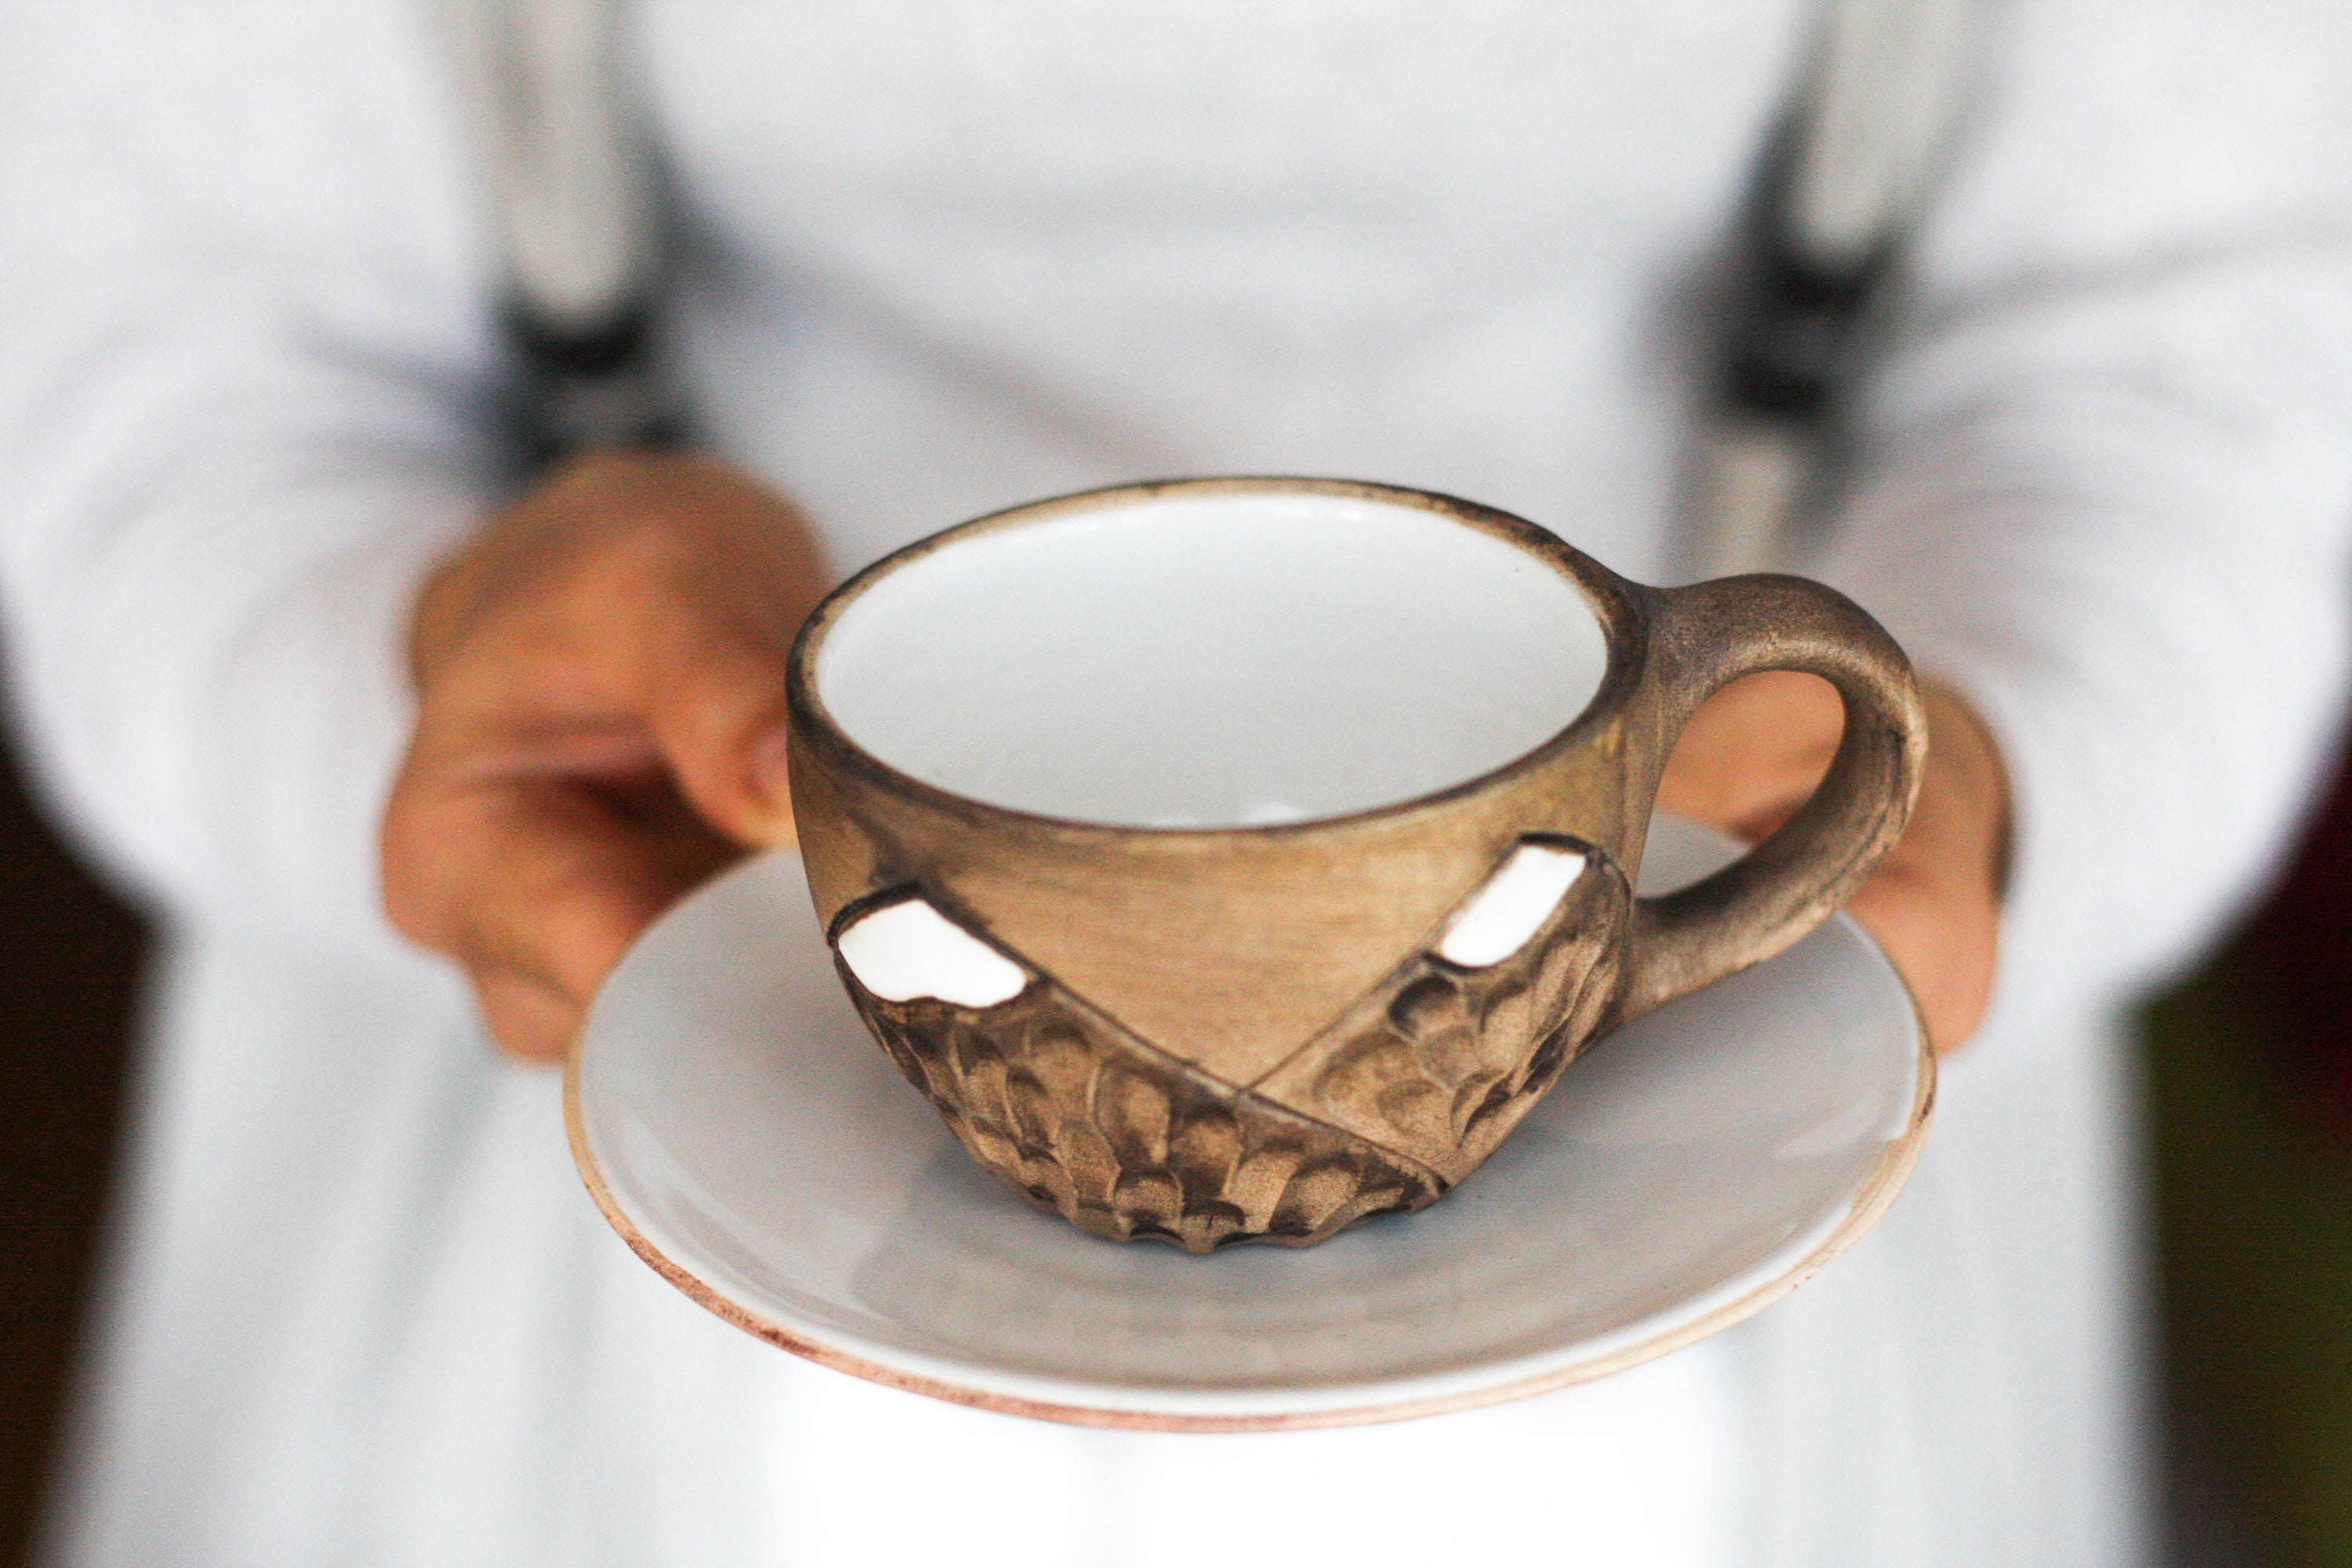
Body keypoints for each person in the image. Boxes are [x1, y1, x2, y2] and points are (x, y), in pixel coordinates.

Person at [5, 1, 2350, 1563]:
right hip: (545, 1292)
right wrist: (438, 663)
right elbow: (165, 386)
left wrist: (1966, 789)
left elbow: (2164, 364)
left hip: (1753, 1338)